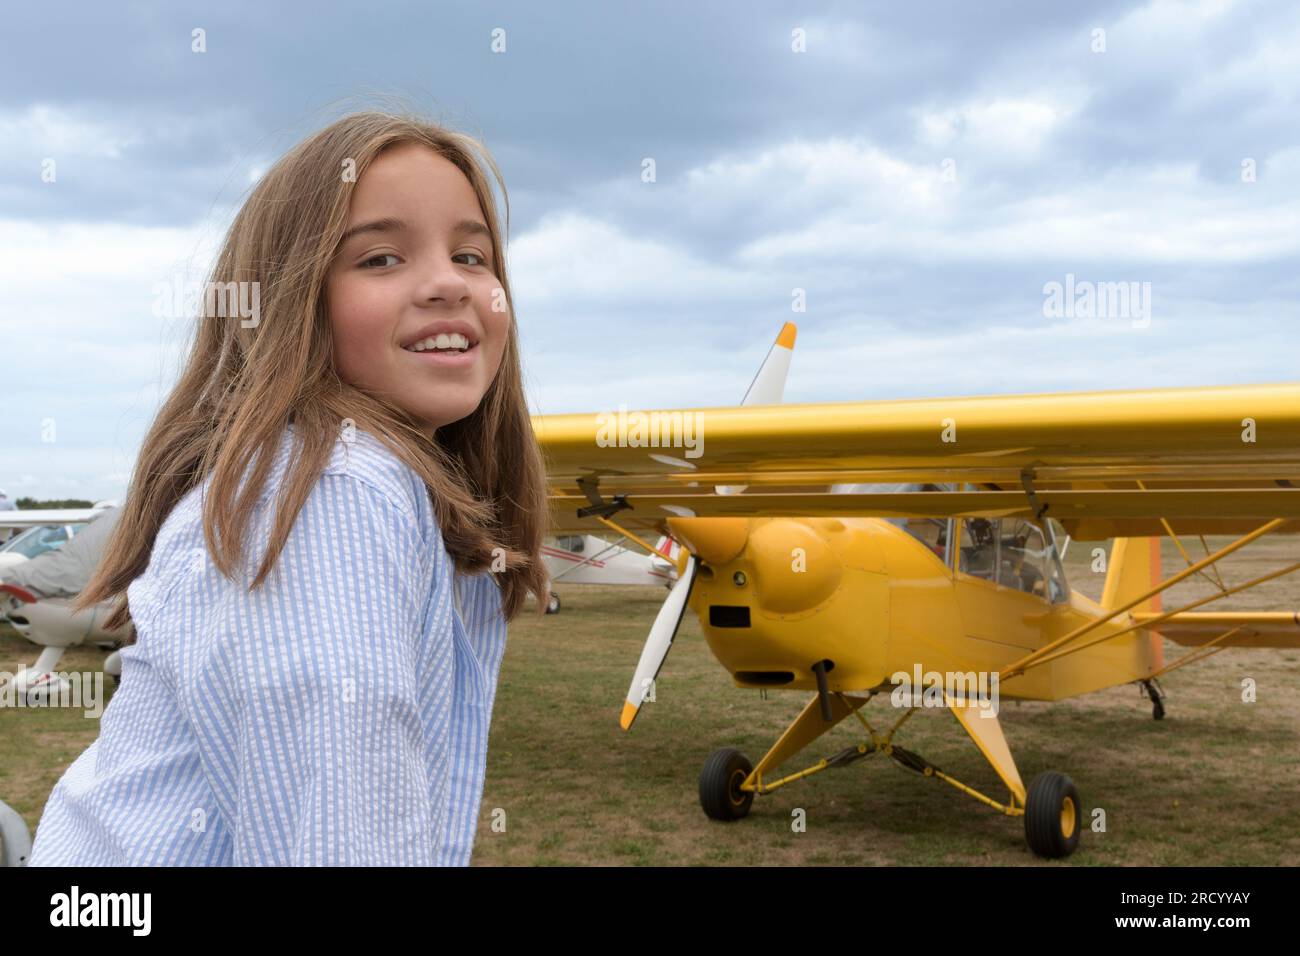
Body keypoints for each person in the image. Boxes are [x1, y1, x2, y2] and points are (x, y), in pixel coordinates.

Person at [26, 109, 551, 866]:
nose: (448, 282)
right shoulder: (332, 491)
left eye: (472, 254)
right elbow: (343, 839)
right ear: (285, 301)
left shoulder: (367, 484)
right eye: (379, 259)